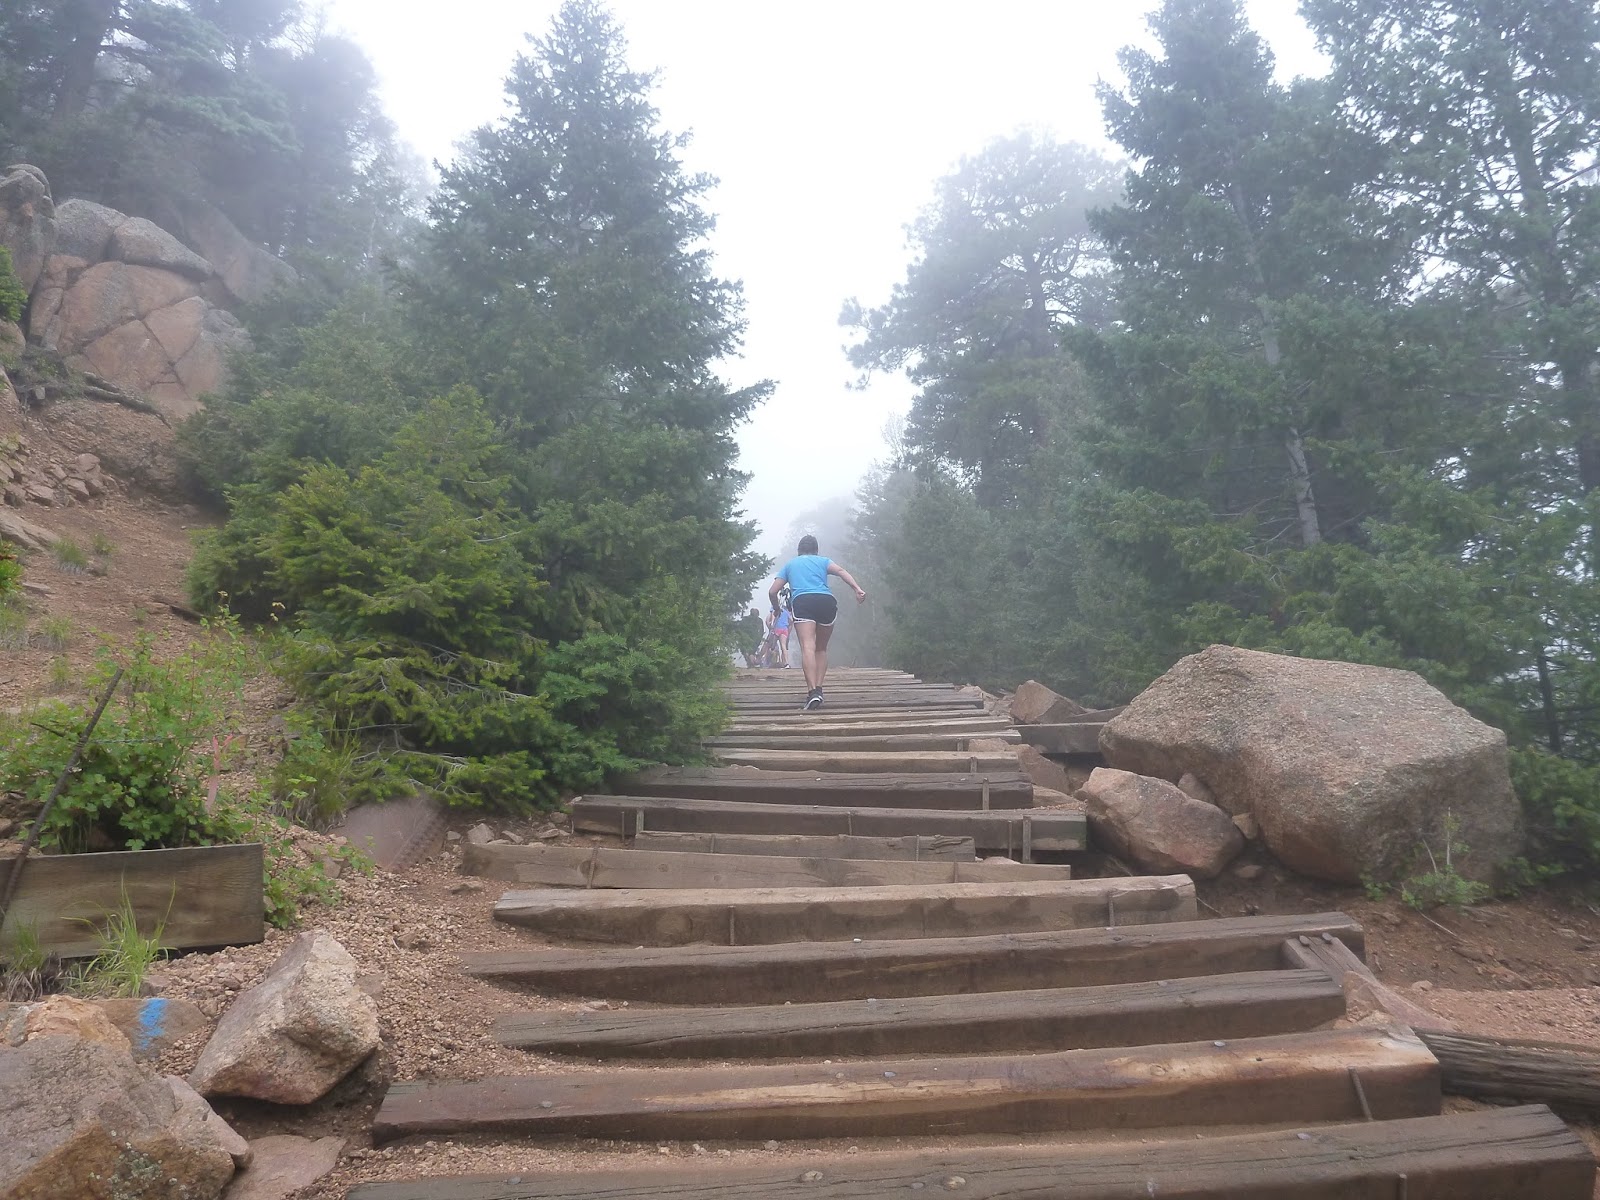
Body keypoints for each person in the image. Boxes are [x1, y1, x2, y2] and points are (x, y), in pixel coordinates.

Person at [769, 534, 867, 709]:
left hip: (803, 601)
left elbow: (772, 591)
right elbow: (841, 571)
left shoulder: (791, 564)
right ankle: (819, 689)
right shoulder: (823, 561)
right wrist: (857, 589)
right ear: (816, 550)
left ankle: (812, 692)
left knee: (808, 646)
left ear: (799, 551)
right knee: (821, 648)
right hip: (826, 601)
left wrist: (776, 608)